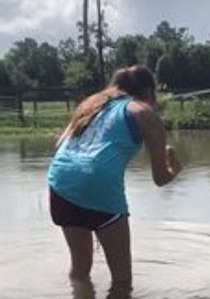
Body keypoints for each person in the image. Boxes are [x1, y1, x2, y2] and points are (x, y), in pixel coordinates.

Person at [47, 65, 182, 287]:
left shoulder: (90, 105)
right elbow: (160, 178)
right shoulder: (144, 112)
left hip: (61, 181)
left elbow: (59, 144)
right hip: (99, 184)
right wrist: (175, 168)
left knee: (79, 270)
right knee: (122, 279)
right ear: (149, 91)